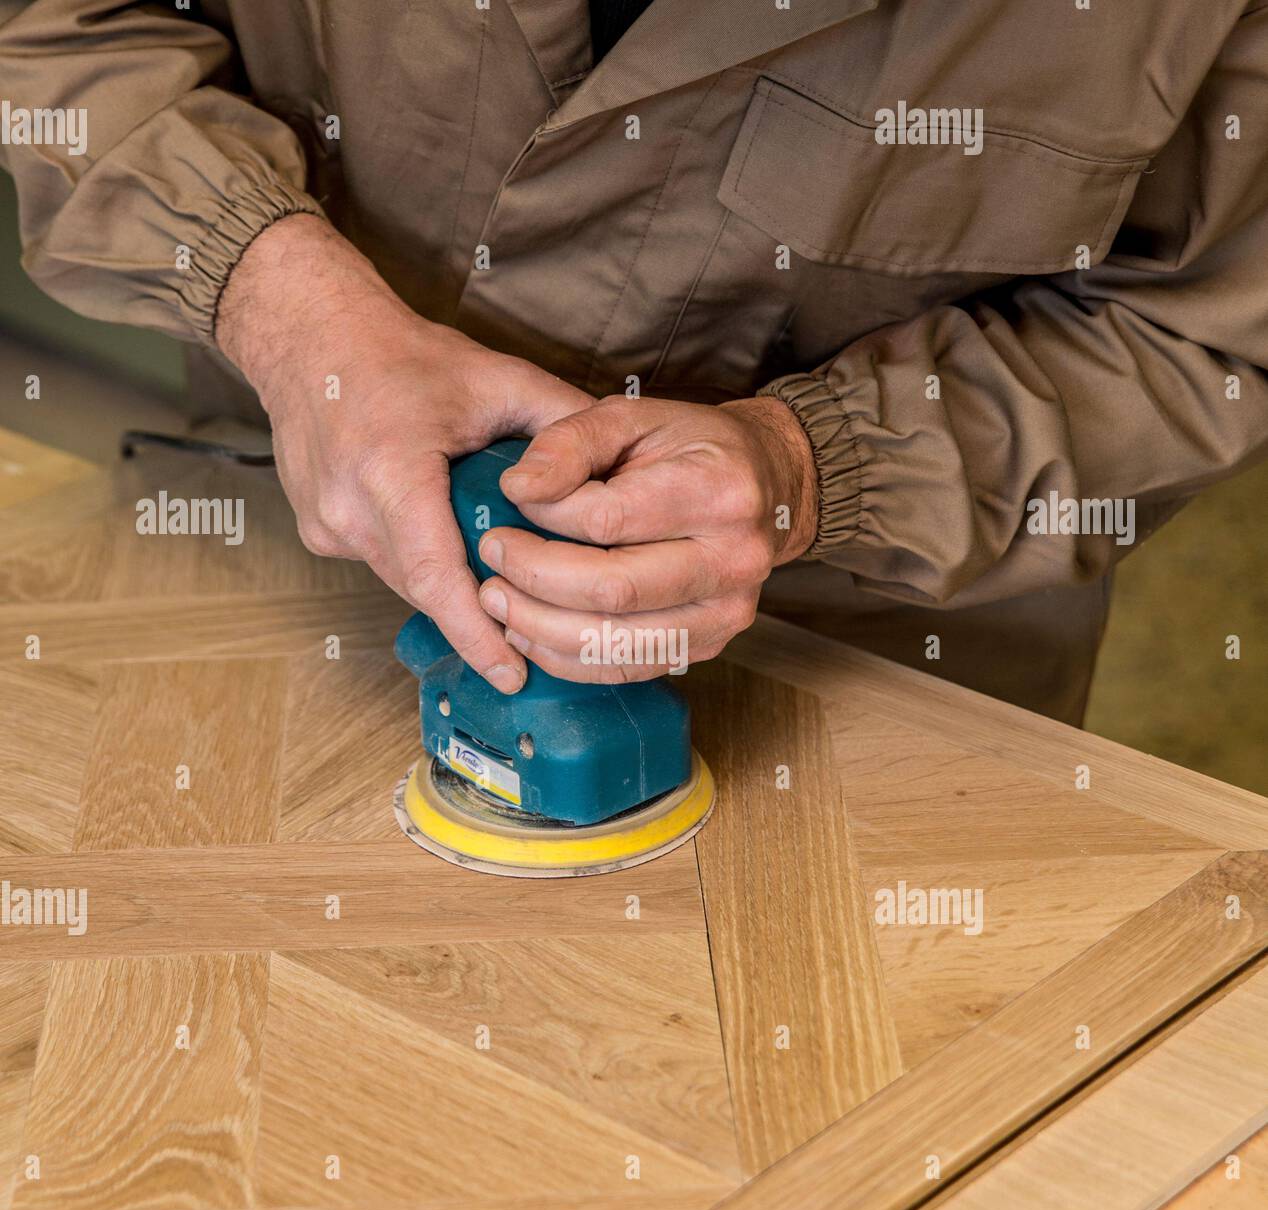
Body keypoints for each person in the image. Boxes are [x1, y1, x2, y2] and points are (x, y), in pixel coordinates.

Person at [3, 0, 1265, 719]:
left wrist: (805, 468)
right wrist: (277, 300)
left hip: (858, 685)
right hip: (262, 553)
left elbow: (1210, 335)